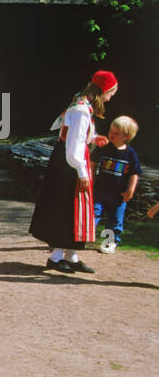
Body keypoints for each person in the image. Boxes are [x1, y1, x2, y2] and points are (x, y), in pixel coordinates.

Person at [30, 71, 120, 273]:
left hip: (69, 161)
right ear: (104, 90)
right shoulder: (81, 110)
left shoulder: (81, 104)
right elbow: (73, 145)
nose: (112, 96)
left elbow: (76, 134)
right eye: (112, 91)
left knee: (75, 208)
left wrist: (93, 138)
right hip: (69, 165)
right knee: (68, 208)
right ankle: (55, 258)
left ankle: (71, 256)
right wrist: (81, 171)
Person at [91, 116, 140, 253]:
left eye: (116, 133)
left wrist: (130, 190)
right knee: (93, 214)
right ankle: (83, 237)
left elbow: (134, 174)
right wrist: (91, 179)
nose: (111, 135)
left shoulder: (130, 154)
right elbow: (92, 163)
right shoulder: (103, 148)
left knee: (114, 220)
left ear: (127, 136)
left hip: (119, 195)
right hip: (99, 191)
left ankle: (109, 242)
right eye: (111, 131)